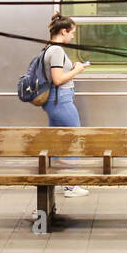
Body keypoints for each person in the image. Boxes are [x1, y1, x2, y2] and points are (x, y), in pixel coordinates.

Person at [43, 12, 91, 198]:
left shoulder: (48, 48)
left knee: (57, 141)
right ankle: (71, 185)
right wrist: (77, 70)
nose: (72, 36)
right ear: (64, 31)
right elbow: (57, 79)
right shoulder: (56, 50)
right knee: (74, 139)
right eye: (72, 33)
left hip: (54, 102)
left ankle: (58, 180)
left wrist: (72, 68)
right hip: (61, 101)